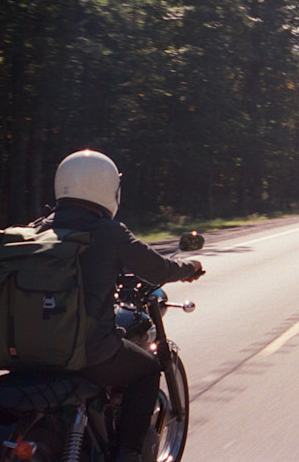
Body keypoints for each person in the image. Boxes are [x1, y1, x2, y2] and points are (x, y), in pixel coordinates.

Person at [44, 149, 203, 462]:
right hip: (88, 351)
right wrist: (190, 268)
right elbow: (158, 269)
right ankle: (128, 453)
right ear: (107, 190)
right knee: (146, 369)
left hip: (25, 352)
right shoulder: (107, 232)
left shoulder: (36, 230)